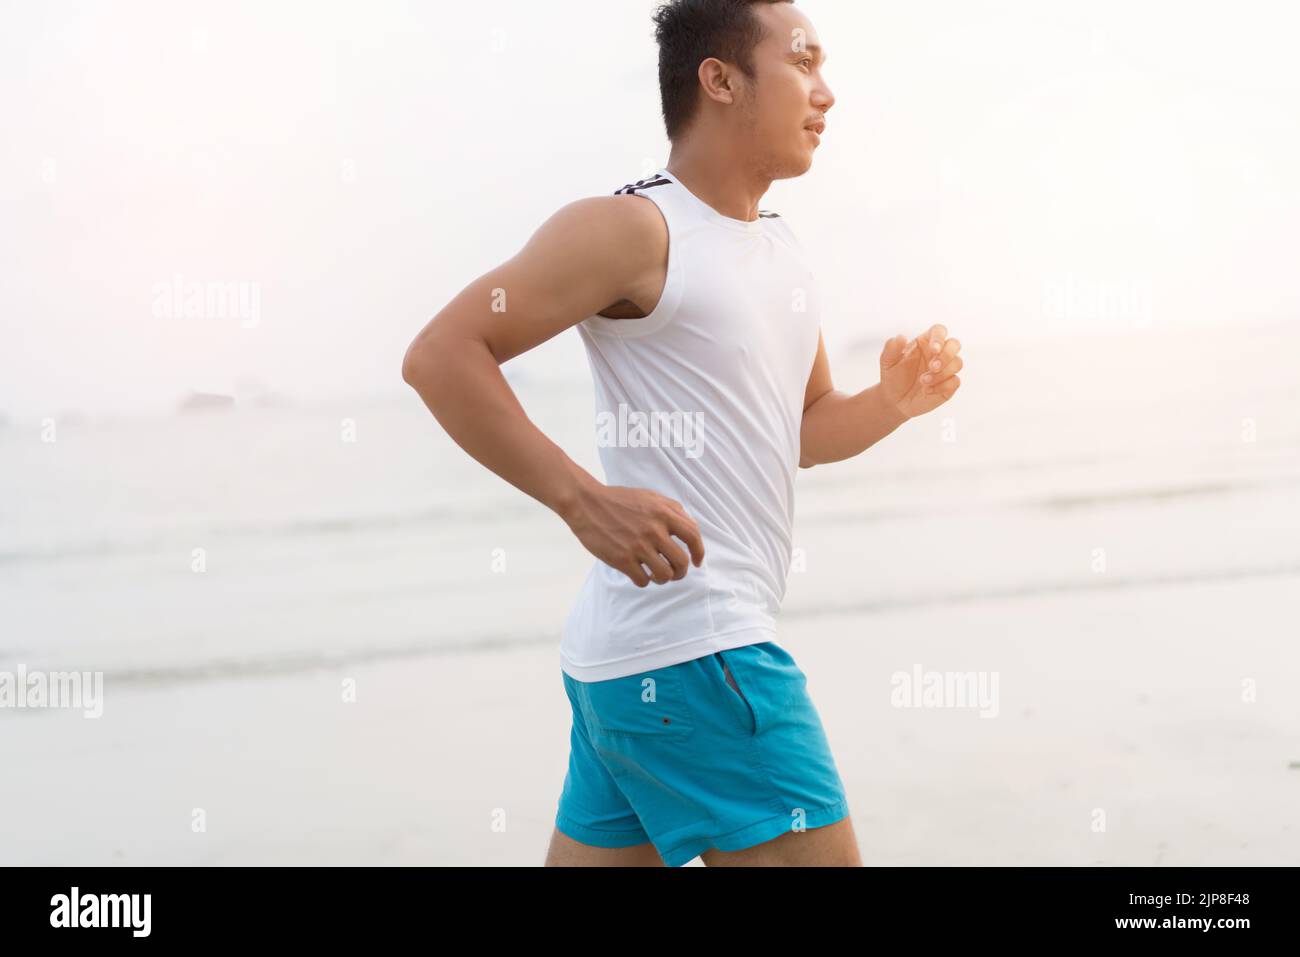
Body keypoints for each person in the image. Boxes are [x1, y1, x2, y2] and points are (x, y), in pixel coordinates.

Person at [402, 0, 963, 866]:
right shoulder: (632, 228)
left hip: (629, 670)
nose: (828, 93)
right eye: (804, 63)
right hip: (704, 650)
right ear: (721, 78)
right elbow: (442, 354)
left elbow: (804, 430)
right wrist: (581, 500)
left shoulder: (782, 252)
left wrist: (889, 402)